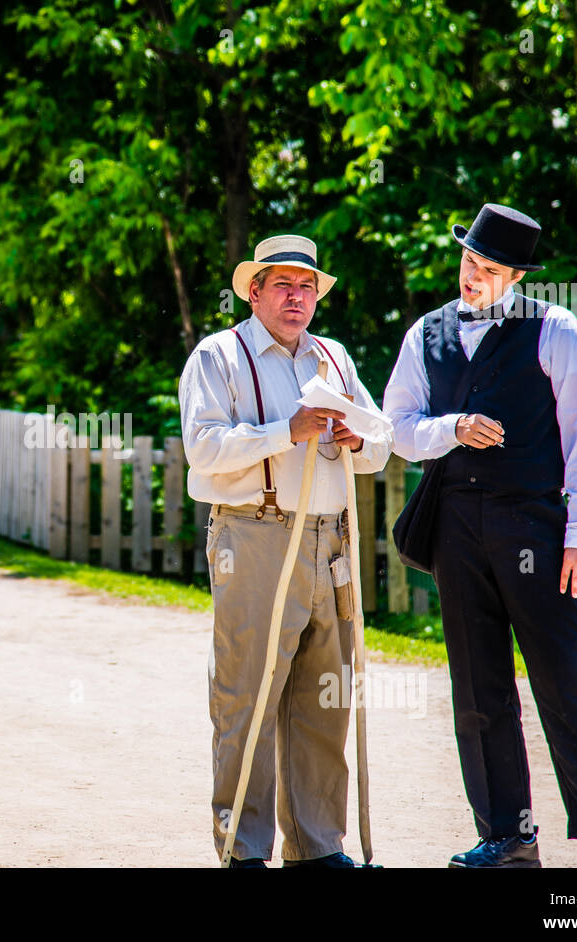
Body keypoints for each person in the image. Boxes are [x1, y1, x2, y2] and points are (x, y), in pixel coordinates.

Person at [382, 203, 577, 868]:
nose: (472, 276)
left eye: (489, 268)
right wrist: (449, 428)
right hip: (455, 522)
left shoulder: (555, 329)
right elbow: (395, 426)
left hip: (535, 522)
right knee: (478, 686)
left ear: (516, 274)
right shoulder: (427, 333)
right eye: (469, 261)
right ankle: (507, 836)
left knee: (562, 681)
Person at [179, 235, 393, 867]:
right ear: (255, 291)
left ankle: (318, 848)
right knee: (248, 695)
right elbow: (204, 449)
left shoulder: (334, 356)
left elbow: (381, 445)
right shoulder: (219, 355)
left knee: (327, 693)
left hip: (332, 538)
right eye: (283, 286)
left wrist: (358, 436)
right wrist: (284, 432)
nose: (296, 298)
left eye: (307, 287)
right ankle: (244, 852)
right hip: (255, 533)